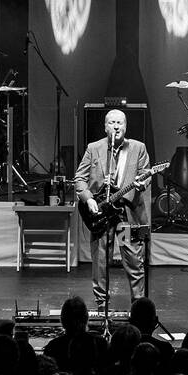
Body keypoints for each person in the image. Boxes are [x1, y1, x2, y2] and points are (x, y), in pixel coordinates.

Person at [73, 110, 153, 311]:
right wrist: (88, 198)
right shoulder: (94, 148)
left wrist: (141, 183)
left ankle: (139, 306)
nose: (116, 126)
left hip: (125, 216)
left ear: (125, 126)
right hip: (102, 215)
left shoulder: (137, 148)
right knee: (100, 261)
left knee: (133, 258)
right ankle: (102, 305)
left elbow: (146, 173)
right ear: (105, 126)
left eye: (119, 122)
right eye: (112, 122)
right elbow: (80, 178)